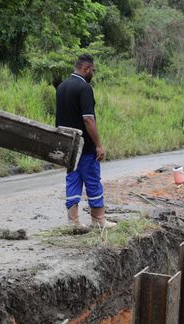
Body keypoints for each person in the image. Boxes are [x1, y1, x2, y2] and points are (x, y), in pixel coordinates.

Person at [55, 55, 114, 231]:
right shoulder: (84, 88)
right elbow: (88, 119)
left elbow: (59, 118)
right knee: (93, 181)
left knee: (72, 180)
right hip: (85, 146)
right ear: (86, 68)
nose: (93, 73)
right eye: (93, 70)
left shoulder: (62, 87)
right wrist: (98, 144)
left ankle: (73, 222)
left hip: (68, 145)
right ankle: (98, 220)